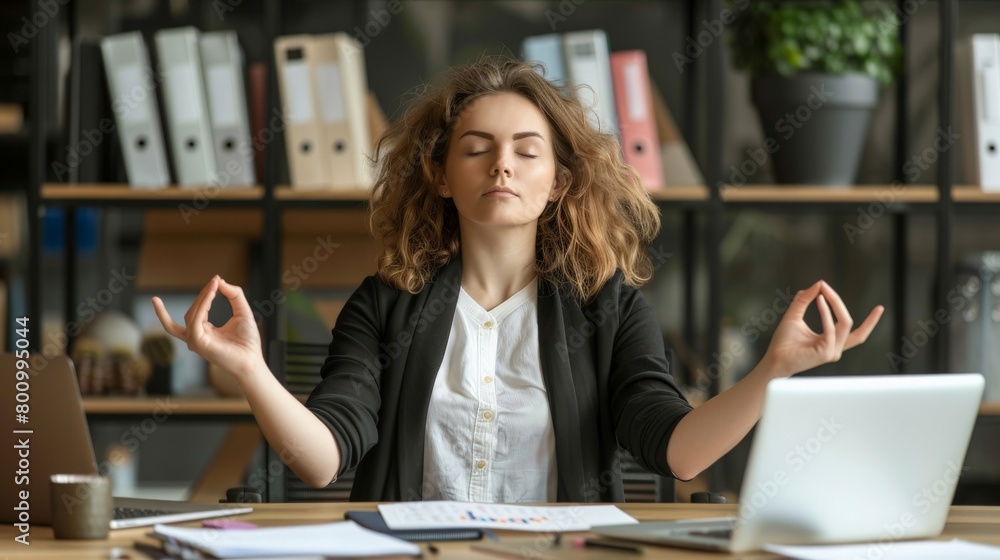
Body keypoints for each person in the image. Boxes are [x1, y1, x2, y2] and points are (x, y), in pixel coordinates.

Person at [153, 57, 883, 503]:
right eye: (477, 149)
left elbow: (679, 451)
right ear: (440, 175)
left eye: (525, 152)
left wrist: (775, 372)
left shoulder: (613, 309)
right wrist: (249, 369)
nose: (501, 165)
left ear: (559, 181)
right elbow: (323, 459)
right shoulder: (384, 304)